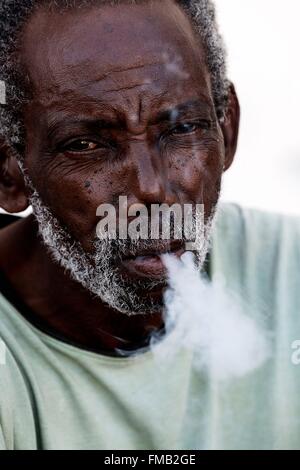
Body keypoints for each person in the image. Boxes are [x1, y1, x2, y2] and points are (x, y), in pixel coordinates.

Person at [0, 0, 299, 450]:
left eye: (180, 129)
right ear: (9, 171)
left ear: (227, 128)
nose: (151, 189)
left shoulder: (289, 273)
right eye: (85, 144)